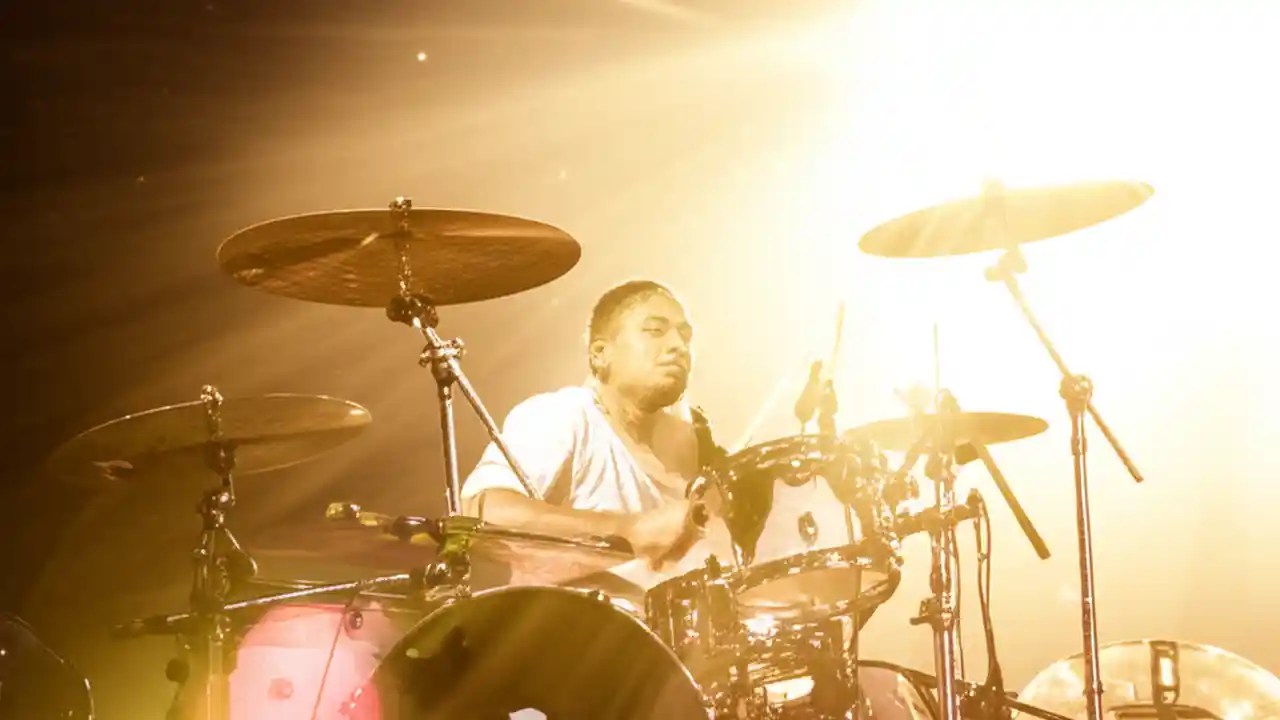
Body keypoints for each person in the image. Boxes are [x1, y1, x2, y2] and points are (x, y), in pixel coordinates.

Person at [461, 279, 713, 570]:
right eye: (655, 331)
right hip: (576, 601)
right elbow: (482, 514)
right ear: (600, 353)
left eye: (685, 336)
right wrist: (628, 529)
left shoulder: (696, 445)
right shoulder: (564, 413)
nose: (678, 346)